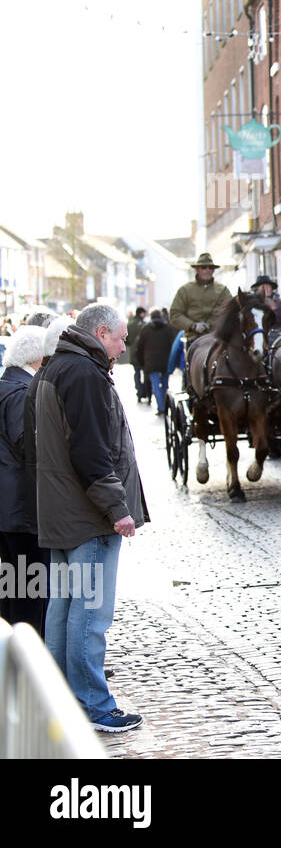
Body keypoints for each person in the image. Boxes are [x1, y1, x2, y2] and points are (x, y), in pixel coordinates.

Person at [33, 305, 148, 732]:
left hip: (63, 513)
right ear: (101, 332)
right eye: (120, 338)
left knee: (63, 610)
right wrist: (118, 509)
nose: (123, 345)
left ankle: (63, 698)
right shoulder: (83, 374)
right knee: (89, 613)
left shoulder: (55, 368)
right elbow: (91, 452)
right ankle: (93, 706)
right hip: (88, 517)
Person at [1, 326, 48, 635]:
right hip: (21, 509)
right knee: (27, 595)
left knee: (11, 592)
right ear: (37, 359)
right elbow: (25, 444)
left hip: (10, 509)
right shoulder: (21, 392)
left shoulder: (6, 385)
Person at [170, 252, 233, 342]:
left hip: (218, 337)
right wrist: (193, 325)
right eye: (203, 267)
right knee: (174, 355)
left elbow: (230, 311)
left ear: (213, 270)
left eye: (210, 268)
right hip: (193, 338)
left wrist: (217, 325)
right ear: (197, 269)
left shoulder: (223, 290)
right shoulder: (185, 290)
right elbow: (174, 314)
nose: (207, 270)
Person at [133, 309, 178, 415]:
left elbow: (139, 347)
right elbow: (174, 345)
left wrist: (141, 362)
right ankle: (164, 405)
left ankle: (161, 407)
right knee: (165, 384)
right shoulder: (168, 328)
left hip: (151, 362)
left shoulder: (146, 329)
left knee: (155, 385)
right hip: (166, 361)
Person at [251, 274, 281, 339]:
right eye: (263, 287)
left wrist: (277, 331)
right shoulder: (254, 306)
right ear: (257, 290)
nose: (266, 289)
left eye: (268, 286)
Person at [126, 307, 147, 400]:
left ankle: (139, 391)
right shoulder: (145, 325)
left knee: (137, 373)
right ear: (141, 313)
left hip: (134, 352)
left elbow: (126, 340)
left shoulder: (130, 324)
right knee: (145, 373)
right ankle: (146, 391)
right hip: (144, 353)